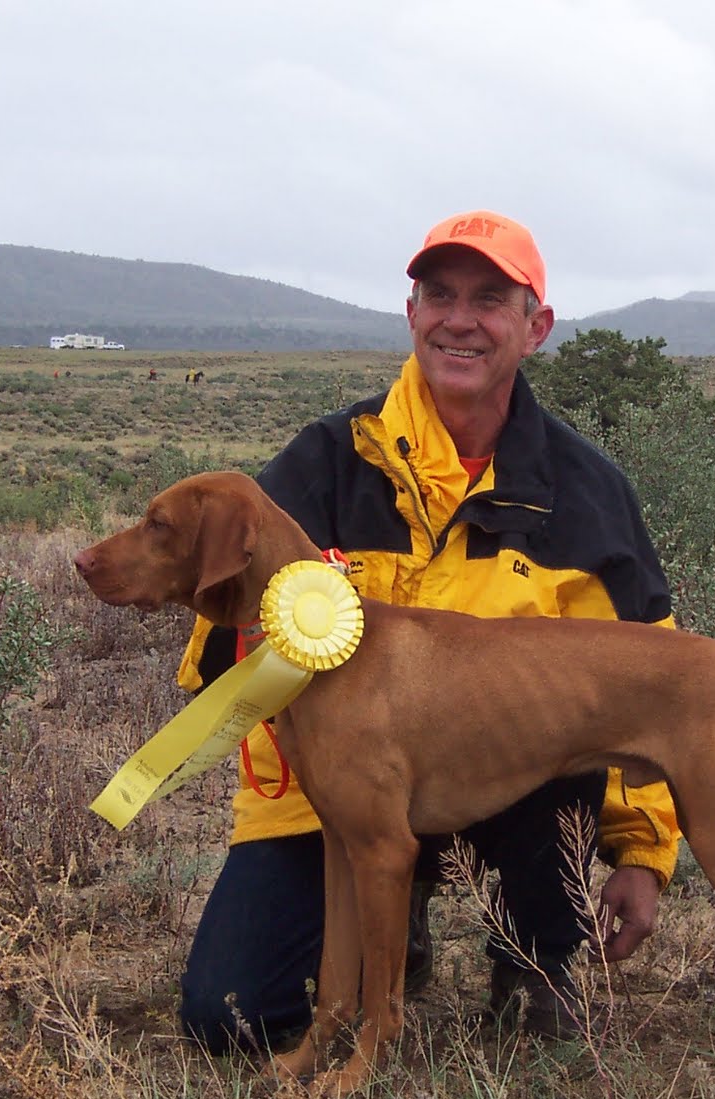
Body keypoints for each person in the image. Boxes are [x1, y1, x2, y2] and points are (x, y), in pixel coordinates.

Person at [175, 210, 682, 1054]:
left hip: (509, 788)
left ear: (536, 328)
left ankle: (535, 959)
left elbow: (650, 686)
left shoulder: (590, 492)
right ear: (411, 314)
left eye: (490, 299)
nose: (459, 319)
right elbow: (219, 656)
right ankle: (390, 911)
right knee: (228, 1016)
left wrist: (642, 850)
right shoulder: (324, 463)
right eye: (438, 294)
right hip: (331, 795)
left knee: (554, 732)